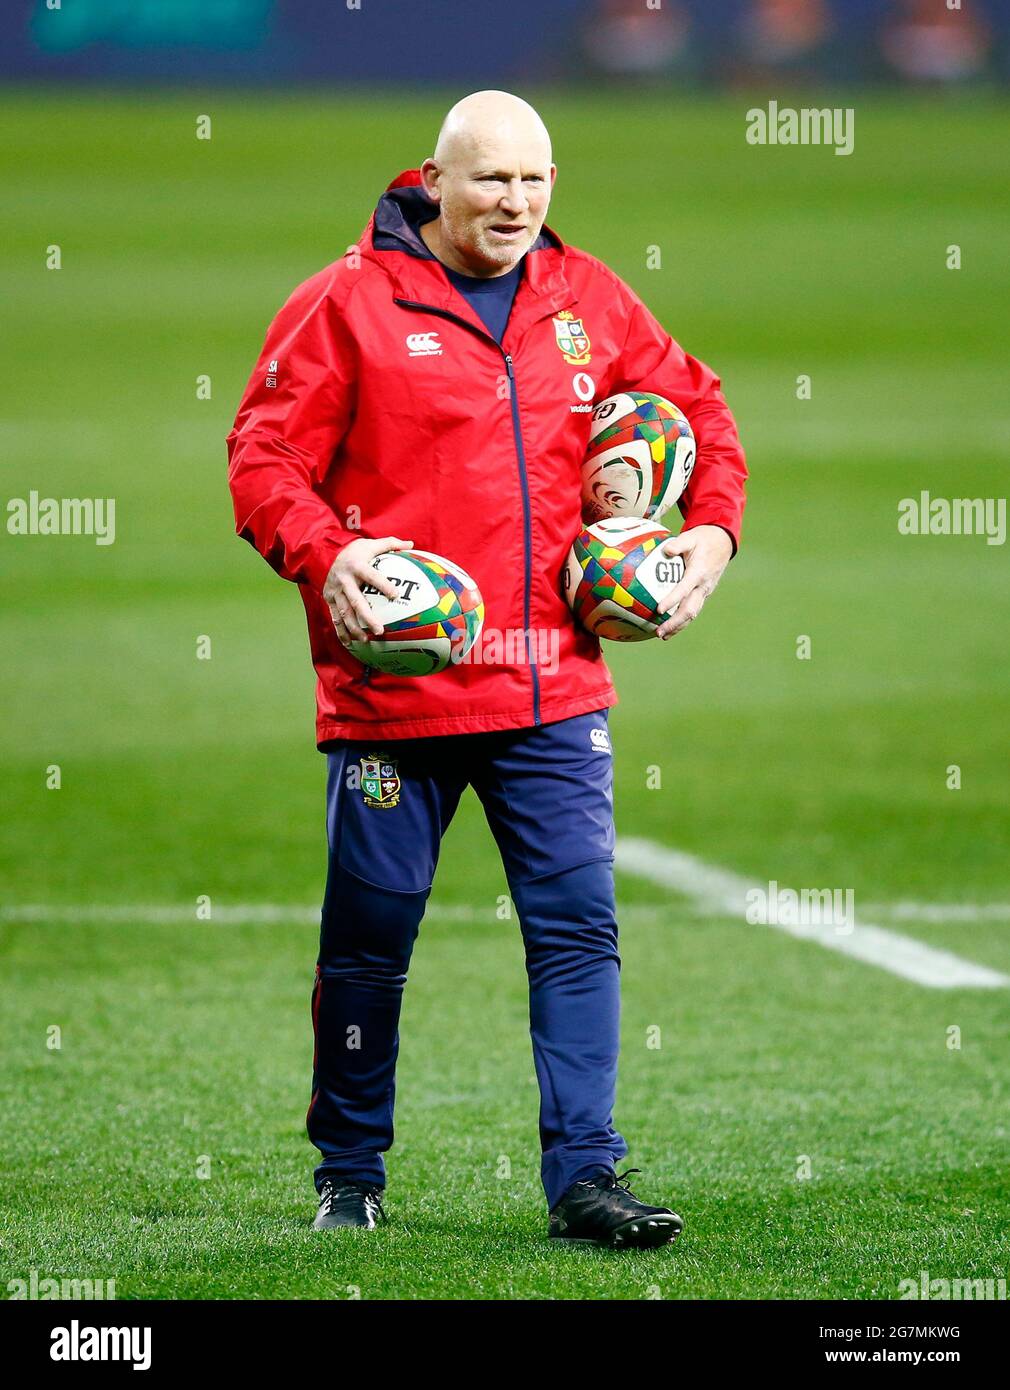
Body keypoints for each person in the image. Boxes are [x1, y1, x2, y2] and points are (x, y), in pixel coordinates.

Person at [226, 90, 747, 1248]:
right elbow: (262, 458)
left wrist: (706, 533)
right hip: (393, 695)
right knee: (369, 941)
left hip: (552, 690)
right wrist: (330, 551)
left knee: (577, 928)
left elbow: (699, 413)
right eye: (491, 181)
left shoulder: (587, 298)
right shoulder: (347, 303)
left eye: (534, 180)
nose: (514, 203)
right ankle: (349, 1176)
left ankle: (586, 1175)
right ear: (436, 179)